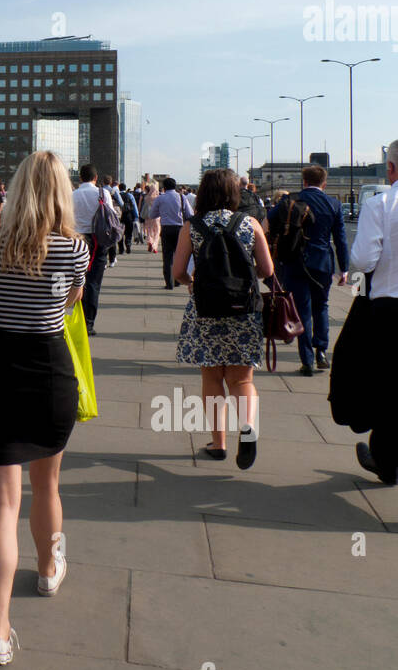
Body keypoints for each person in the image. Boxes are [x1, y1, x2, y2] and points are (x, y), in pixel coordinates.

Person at [0, 151, 90, 665]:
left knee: (2, 506)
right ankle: (47, 570)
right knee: (48, 486)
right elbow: (69, 306)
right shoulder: (73, 249)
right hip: (50, 374)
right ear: (60, 192)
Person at [172, 168, 273, 468]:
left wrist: (192, 282)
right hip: (244, 310)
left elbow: (177, 271)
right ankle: (249, 426)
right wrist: (244, 280)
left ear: (203, 193)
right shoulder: (250, 223)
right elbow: (267, 269)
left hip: (206, 309)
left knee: (212, 376)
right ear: (234, 193)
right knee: (242, 378)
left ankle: (219, 444)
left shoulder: (193, 226)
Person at [348, 140, 398, 484]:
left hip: (389, 306)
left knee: (388, 385)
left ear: (390, 168)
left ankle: (385, 460)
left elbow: (363, 261)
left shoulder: (381, 205)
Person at [268, 164, 349, 375]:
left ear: (303, 181)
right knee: (321, 306)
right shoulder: (333, 204)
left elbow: (267, 224)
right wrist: (345, 268)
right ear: (324, 183)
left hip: (295, 262)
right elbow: (340, 240)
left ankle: (307, 361)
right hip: (322, 263)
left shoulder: (290, 200)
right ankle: (321, 350)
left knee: (302, 310)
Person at [72, 162, 112, 336]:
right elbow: (110, 215)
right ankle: (89, 322)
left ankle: (78, 318)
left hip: (77, 239)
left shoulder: (72, 195)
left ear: (80, 177)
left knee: (77, 279)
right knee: (94, 282)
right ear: (96, 178)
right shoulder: (103, 193)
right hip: (98, 239)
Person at [148, 177, 193, 289]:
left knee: (167, 257)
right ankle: (178, 280)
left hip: (166, 229)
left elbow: (152, 214)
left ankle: (169, 283)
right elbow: (189, 214)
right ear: (175, 186)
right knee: (179, 255)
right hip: (180, 229)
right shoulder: (182, 197)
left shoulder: (160, 198)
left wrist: (162, 212)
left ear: (164, 187)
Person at [117, 183, 138, 256]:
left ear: (119, 188)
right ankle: (128, 243)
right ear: (125, 188)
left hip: (119, 216)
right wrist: (136, 216)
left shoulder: (117, 196)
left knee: (120, 232)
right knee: (129, 232)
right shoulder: (130, 195)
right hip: (129, 216)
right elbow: (134, 206)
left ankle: (121, 249)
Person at [142, 180, 161, 253]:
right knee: (157, 231)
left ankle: (150, 241)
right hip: (156, 217)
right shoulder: (158, 198)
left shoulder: (146, 197)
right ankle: (154, 246)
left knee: (149, 230)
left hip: (148, 216)